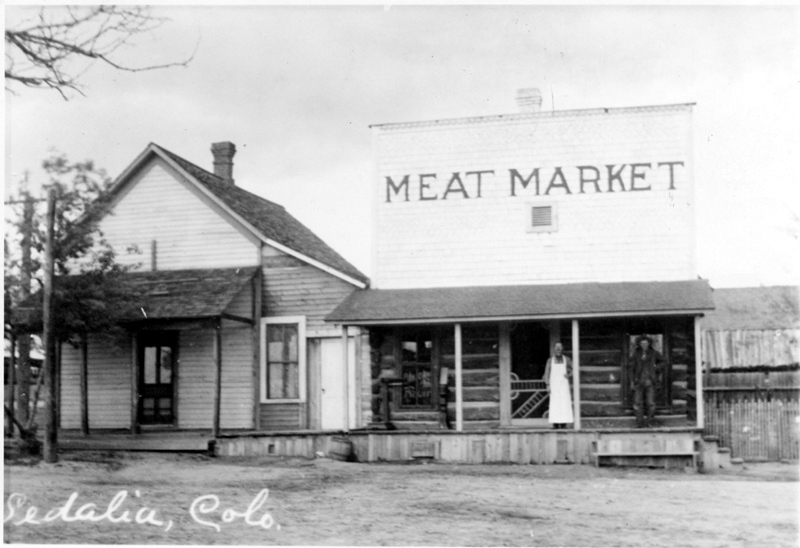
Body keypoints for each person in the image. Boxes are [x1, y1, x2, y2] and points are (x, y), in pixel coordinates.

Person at [630, 335, 664, 428]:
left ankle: (650, 422)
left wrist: (655, 368)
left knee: (651, 403)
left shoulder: (654, 353)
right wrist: (633, 380)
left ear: (649, 344)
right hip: (639, 381)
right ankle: (639, 423)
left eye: (646, 343)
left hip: (650, 381)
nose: (644, 345)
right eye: (642, 343)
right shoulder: (636, 354)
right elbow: (632, 367)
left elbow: (663, 362)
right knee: (637, 403)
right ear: (639, 344)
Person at [543, 342, 573, 429]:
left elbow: (574, 369)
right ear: (554, 349)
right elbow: (546, 373)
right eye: (556, 347)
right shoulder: (550, 360)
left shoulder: (566, 359)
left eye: (560, 347)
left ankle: (563, 423)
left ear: (562, 348)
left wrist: (569, 375)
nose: (558, 349)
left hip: (563, 385)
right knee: (555, 404)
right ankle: (555, 423)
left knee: (564, 402)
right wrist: (547, 384)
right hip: (554, 385)